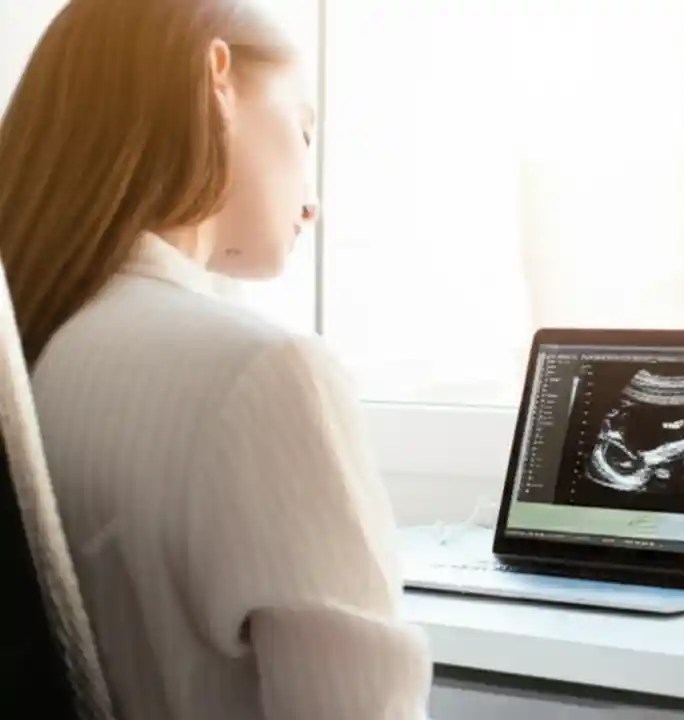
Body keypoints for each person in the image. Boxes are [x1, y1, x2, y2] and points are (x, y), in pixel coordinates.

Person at [0, 1, 432, 718]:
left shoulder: (43, 352)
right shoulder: (261, 372)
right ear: (217, 79)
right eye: (302, 129)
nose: (312, 204)